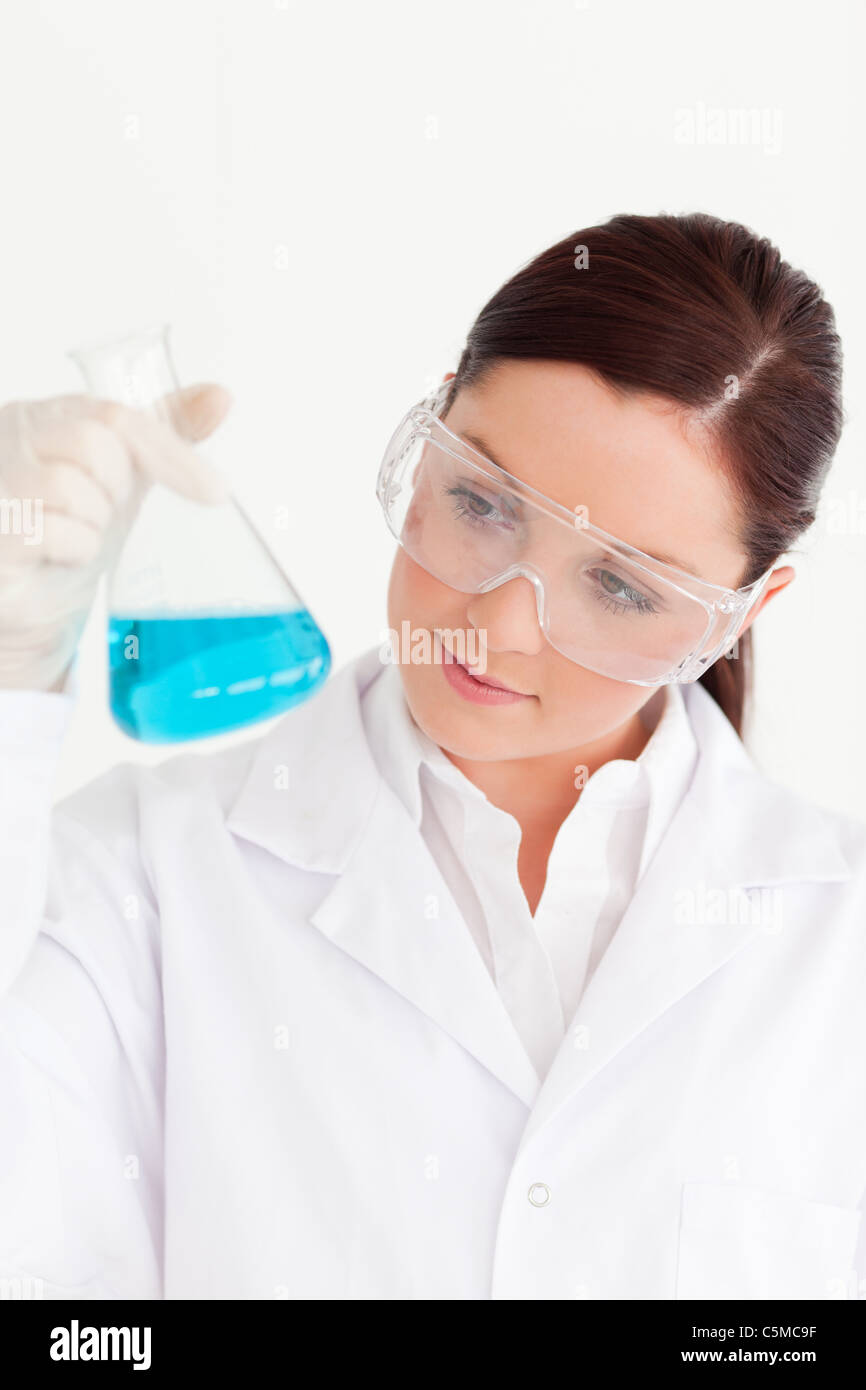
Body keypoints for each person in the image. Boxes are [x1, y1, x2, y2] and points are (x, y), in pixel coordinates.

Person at [1, 211, 865, 1301]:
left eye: (619, 585)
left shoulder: (839, 943)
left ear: (739, 613)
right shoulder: (140, 877)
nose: (499, 627)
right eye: (483, 503)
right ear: (436, 417)